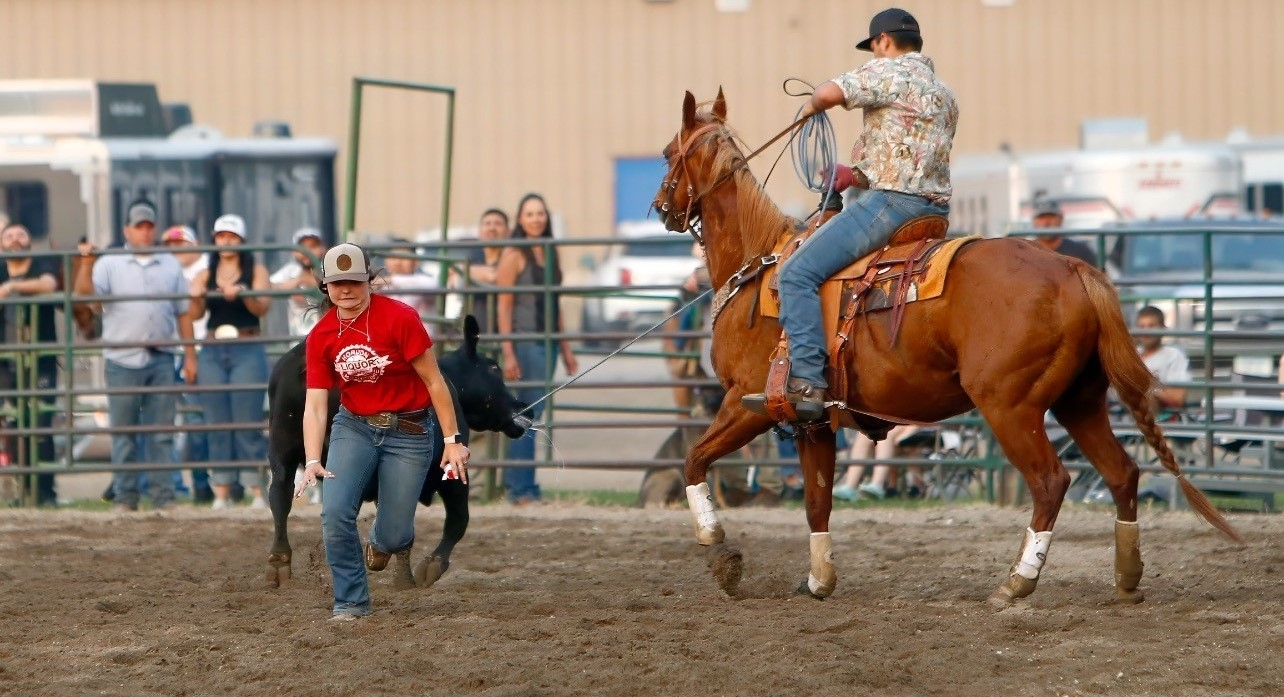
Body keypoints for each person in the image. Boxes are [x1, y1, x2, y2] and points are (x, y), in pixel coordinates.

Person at [742, 8, 958, 422]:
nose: (875, 52)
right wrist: (852, 174)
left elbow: (827, 93)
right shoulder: (945, 94)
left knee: (796, 273)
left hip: (891, 205)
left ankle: (807, 379)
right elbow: (909, 152)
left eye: (874, 46)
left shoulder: (887, 72)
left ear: (883, 42)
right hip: (934, 209)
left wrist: (809, 106)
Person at [295, 242, 470, 621]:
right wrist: (311, 459)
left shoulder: (401, 318)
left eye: (355, 282)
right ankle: (351, 602)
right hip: (353, 428)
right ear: (326, 287)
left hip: (409, 432)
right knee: (336, 512)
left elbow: (434, 381)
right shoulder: (321, 336)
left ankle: (381, 541)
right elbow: (315, 404)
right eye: (338, 283)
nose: (346, 290)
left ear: (370, 282)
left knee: (394, 536)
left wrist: (453, 440)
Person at [76, 200, 197, 512]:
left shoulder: (169, 265)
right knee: (125, 434)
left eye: (148, 226)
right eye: (139, 226)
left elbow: (183, 312)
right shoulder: (109, 264)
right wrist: (86, 263)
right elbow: (87, 298)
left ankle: (162, 497)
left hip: (160, 356)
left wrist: (190, 354)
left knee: (161, 433)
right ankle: (126, 498)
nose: (145, 231)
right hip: (122, 357)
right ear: (127, 230)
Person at [495, 193, 578, 503]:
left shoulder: (550, 251)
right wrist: (509, 351)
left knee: (533, 412)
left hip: (549, 343)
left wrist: (566, 348)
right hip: (525, 340)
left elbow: (555, 303)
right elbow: (505, 307)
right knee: (525, 414)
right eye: (529, 214)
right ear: (520, 219)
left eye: (540, 213)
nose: (536, 219)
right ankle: (519, 488)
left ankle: (524, 485)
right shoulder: (514, 254)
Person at [189, 214, 272, 510]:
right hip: (213, 346)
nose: (226, 241)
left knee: (247, 418)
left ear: (241, 240)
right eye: (222, 235)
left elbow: (263, 306)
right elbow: (196, 314)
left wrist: (244, 293)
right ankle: (221, 491)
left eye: (232, 236)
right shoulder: (205, 273)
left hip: (247, 343)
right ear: (215, 239)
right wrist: (196, 296)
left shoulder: (256, 270)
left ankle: (257, 490)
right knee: (217, 421)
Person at [0, 223, 60, 506]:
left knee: (40, 422)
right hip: (6, 361)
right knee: (14, 424)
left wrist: (10, 288)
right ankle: (21, 492)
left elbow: (48, 284)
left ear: (29, 240)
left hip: (41, 359)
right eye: (9, 235)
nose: (15, 239)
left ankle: (45, 492)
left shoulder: (41, 264)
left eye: (21, 234)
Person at [162, 226, 214, 503]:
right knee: (168, 421)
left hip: (200, 350)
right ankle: (184, 484)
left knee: (198, 421)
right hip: (170, 350)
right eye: (171, 245)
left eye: (181, 243)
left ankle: (203, 484)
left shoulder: (207, 267)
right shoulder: (165, 270)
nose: (176, 249)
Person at [834, 425, 921, 500]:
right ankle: (850, 487)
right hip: (896, 422)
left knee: (884, 435)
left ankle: (877, 485)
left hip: (917, 424)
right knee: (863, 434)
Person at [269, 228, 326, 341]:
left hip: (327, 338)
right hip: (298, 340)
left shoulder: (329, 267)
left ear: (322, 248)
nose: (307, 252)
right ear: (294, 252)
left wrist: (306, 283)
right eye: (302, 247)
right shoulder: (291, 270)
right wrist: (295, 285)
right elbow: (267, 286)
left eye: (313, 246)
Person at [378, 238, 438, 338]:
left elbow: (433, 285)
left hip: (419, 342)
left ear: (416, 261)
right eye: (393, 258)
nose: (397, 262)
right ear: (386, 261)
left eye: (403, 257)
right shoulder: (381, 287)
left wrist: (390, 280)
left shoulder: (423, 282)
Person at [1134, 305, 1191, 411]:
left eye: (1151, 326)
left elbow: (1178, 398)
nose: (1146, 331)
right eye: (1142, 327)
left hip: (1160, 418)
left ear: (1162, 328)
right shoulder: (1132, 355)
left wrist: (1148, 387)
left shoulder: (1173, 356)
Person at [461, 208, 508, 334]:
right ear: (480, 231)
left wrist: (470, 272)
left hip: (502, 330)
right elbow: (454, 273)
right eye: (487, 223)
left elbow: (497, 277)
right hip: (471, 331)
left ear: (507, 232)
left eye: (498, 224)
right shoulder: (472, 255)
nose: (492, 228)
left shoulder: (511, 256)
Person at [1031, 199, 1099, 266]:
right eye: (1041, 217)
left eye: (1051, 216)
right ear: (1034, 221)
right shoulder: (1026, 253)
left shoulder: (1081, 252)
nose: (1046, 223)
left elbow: (1096, 276)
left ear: (1061, 218)